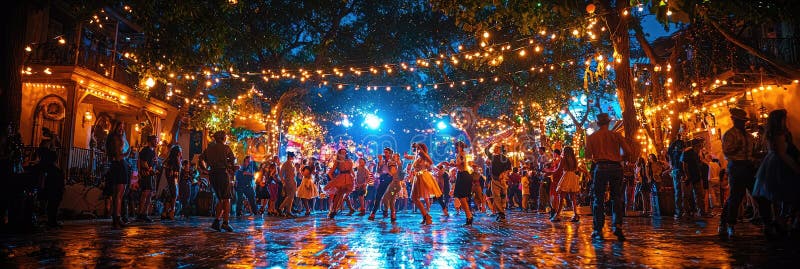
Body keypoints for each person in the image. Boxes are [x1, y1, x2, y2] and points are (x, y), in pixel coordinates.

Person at [585, 113, 633, 241]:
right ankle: (617, 226)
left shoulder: (592, 137)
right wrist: (618, 158)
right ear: (608, 122)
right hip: (616, 167)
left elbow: (588, 155)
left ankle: (598, 229)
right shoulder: (616, 135)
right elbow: (628, 151)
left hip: (600, 167)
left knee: (598, 198)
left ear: (598, 123)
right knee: (616, 197)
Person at [753, 109, 800, 238]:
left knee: (781, 195)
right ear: (780, 120)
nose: (787, 120)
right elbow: (782, 153)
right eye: (785, 118)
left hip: (774, 164)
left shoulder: (774, 133)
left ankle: (781, 221)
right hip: (780, 166)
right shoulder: (778, 134)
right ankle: (782, 221)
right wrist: (796, 167)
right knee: (786, 193)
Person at [718, 108, 759, 239]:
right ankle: (729, 224)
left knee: (757, 194)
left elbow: (752, 152)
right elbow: (727, 152)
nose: (742, 123)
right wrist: (738, 147)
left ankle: (767, 222)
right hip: (736, 167)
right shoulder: (729, 135)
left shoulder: (748, 136)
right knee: (735, 197)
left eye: (743, 121)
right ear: (734, 121)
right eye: (739, 121)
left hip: (749, 167)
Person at [200, 131, 236, 232]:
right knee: (227, 198)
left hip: (212, 174)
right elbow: (232, 160)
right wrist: (231, 168)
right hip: (222, 174)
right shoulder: (226, 148)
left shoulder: (209, 149)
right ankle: (225, 222)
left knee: (219, 198)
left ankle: (216, 221)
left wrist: (205, 169)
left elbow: (201, 159)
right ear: (223, 138)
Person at [408, 143, 442, 225]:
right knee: (414, 198)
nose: (414, 149)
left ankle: (426, 216)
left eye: (416, 148)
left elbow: (430, 161)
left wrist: (420, 150)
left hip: (422, 176)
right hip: (418, 176)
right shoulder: (418, 156)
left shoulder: (422, 155)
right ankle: (425, 216)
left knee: (415, 198)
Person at [106, 121, 131, 228]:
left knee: (117, 194)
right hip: (120, 165)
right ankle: (117, 218)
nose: (122, 129)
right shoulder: (117, 139)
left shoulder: (111, 138)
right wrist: (129, 151)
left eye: (123, 127)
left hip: (115, 165)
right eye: (119, 127)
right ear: (115, 128)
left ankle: (116, 218)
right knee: (119, 194)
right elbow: (119, 155)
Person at [552, 146, 584, 222]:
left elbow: (558, 170)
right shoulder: (574, 159)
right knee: (573, 198)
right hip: (573, 177)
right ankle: (576, 214)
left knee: (561, 197)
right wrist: (585, 172)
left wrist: (548, 172)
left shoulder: (563, 159)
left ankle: (557, 215)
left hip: (566, 176)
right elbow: (578, 168)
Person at [681, 138, 708, 218]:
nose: (700, 147)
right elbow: (684, 165)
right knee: (687, 195)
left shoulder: (696, 153)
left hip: (696, 176)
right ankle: (687, 212)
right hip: (689, 177)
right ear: (695, 145)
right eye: (699, 145)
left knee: (699, 194)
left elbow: (698, 163)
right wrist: (687, 175)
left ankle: (701, 211)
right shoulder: (687, 152)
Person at [325, 149, 355, 219]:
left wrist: (354, 177)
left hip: (349, 179)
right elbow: (330, 172)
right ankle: (334, 210)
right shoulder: (337, 162)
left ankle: (335, 210)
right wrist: (334, 180)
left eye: (344, 152)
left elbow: (351, 170)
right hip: (341, 179)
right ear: (339, 154)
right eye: (342, 153)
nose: (343, 154)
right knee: (339, 195)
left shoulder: (349, 160)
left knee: (343, 195)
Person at [486, 143, 512, 222]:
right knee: (497, 196)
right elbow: (486, 151)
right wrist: (489, 144)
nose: (496, 149)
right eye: (495, 148)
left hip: (502, 179)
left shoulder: (504, 158)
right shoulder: (493, 157)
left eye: (497, 148)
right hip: (494, 179)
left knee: (503, 195)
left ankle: (501, 211)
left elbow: (509, 167)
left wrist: (503, 174)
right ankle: (501, 213)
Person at [369, 148, 396, 220]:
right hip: (382, 180)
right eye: (384, 152)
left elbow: (392, 172)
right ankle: (373, 213)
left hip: (391, 181)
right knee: (378, 197)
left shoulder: (392, 161)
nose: (385, 154)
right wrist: (380, 162)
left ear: (390, 153)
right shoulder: (382, 161)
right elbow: (378, 171)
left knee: (390, 198)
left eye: (387, 152)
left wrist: (386, 172)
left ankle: (392, 213)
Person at [137, 135, 158, 223]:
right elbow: (142, 162)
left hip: (150, 174)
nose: (156, 142)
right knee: (145, 193)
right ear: (150, 141)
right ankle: (141, 213)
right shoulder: (145, 150)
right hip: (146, 174)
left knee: (149, 194)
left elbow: (152, 162)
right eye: (155, 141)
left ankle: (145, 213)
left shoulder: (153, 152)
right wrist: (149, 170)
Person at [452, 141, 474, 225]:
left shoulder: (462, 154)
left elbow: (462, 163)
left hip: (463, 175)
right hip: (462, 175)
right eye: (456, 146)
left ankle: (469, 216)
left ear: (461, 147)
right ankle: (469, 216)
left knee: (462, 197)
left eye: (457, 146)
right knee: (462, 198)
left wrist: (453, 164)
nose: (456, 148)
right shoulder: (463, 154)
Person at [161, 145, 182, 220]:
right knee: (174, 195)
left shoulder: (169, 160)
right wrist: (177, 184)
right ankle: (172, 211)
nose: (181, 152)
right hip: (173, 180)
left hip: (169, 180)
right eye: (180, 151)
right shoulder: (176, 160)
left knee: (169, 196)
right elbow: (176, 174)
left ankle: (165, 212)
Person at [667, 138, 686, 219]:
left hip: (676, 172)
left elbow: (669, 149)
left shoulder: (673, 153)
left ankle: (679, 211)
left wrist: (675, 142)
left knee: (678, 192)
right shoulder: (682, 153)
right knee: (683, 193)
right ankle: (683, 211)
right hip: (680, 172)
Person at [278, 152, 298, 217]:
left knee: (291, 197)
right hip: (289, 182)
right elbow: (281, 174)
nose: (293, 158)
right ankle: (281, 208)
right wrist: (283, 181)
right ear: (289, 156)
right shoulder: (285, 164)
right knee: (290, 196)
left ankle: (288, 211)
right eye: (292, 156)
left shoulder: (292, 163)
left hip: (293, 181)